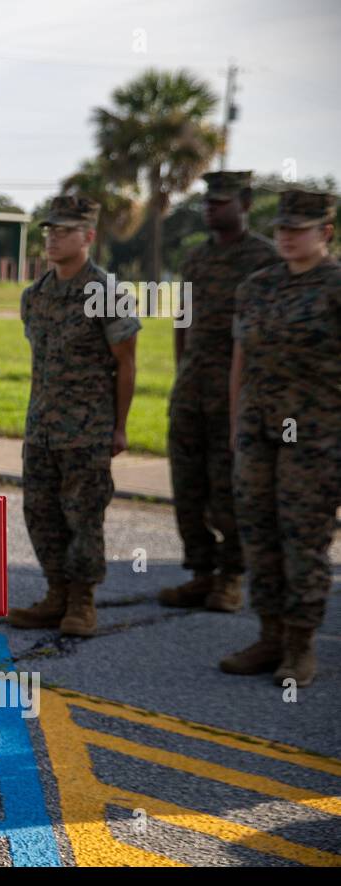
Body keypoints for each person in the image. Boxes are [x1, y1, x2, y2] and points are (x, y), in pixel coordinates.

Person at [221, 189, 339, 687]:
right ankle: (268, 636)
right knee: (259, 535)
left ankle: (300, 646)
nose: (287, 237)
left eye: (299, 229)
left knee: (303, 539)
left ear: (326, 233)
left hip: (317, 437)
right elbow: (241, 360)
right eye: (282, 229)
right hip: (257, 432)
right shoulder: (256, 286)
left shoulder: (336, 287)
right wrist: (235, 426)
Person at [7, 196, 140, 637]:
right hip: (41, 427)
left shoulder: (107, 293)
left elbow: (126, 363)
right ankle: (56, 595)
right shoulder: (36, 295)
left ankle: (82, 602)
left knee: (83, 516)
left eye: (63, 231)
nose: (53, 238)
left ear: (88, 237)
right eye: (49, 231)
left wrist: (119, 427)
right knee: (40, 514)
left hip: (88, 429)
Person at [160, 171, 277, 612]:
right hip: (192, 388)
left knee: (229, 488)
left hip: (237, 392)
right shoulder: (195, 259)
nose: (211, 208)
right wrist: (181, 374)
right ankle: (201, 573)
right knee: (187, 486)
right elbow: (182, 322)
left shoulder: (264, 259)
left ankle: (231, 577)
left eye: (221, 201)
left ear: (245, 202)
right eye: (207, 201)